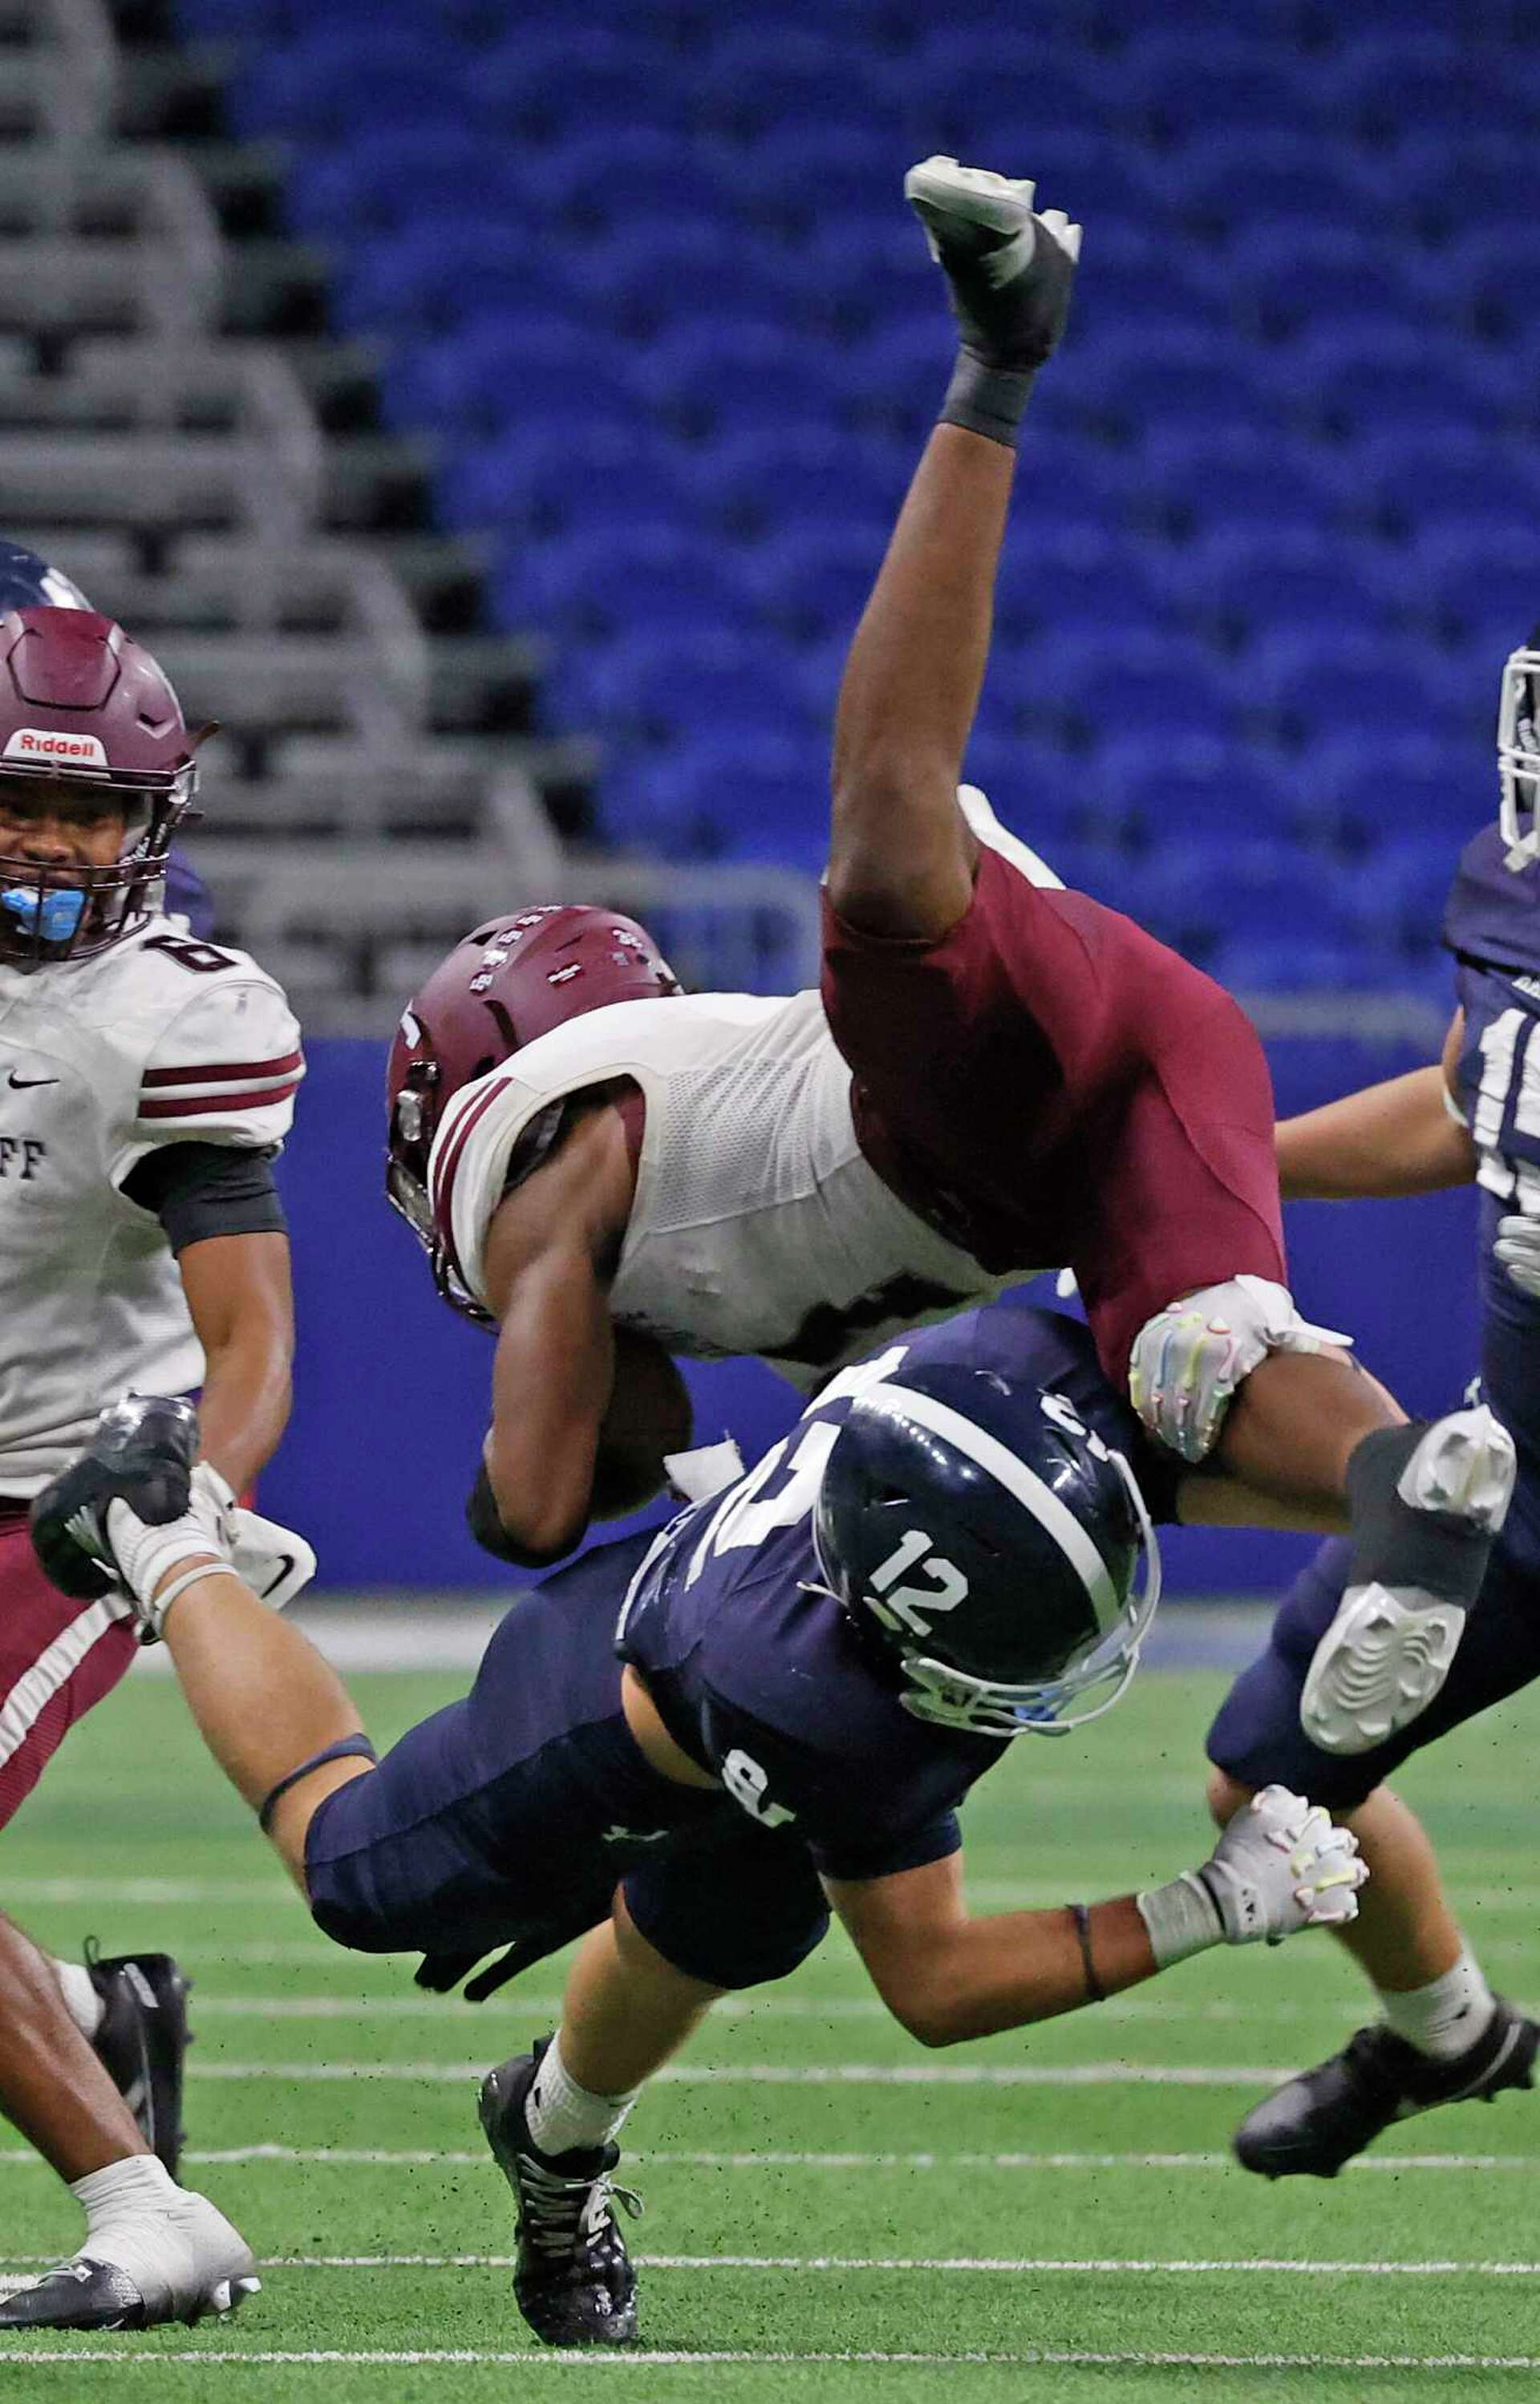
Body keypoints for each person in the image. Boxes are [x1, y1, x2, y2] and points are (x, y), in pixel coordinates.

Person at [386, 159, 1512, 1760]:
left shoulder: (551, 1161)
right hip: (1108, 1098)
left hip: (955, 1067)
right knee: (1170, 1389)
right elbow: (641, 1428)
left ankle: (995, 364)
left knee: (882, 859)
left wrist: (520, 1476)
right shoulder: (722, 1253)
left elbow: (544, 1496)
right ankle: (1420, 1499)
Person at [29, 1301, 1365, 2348]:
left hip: (762, 1649)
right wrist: (1210, 1902)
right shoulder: (825, 1718)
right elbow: (937, 1981)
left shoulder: (1021, 1360)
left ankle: (551, 2142)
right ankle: (157, 1532)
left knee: (736, 1922)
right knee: (354, 1872)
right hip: (617, 1707)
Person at [0, 600, 309, 2332]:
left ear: (150, 827)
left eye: (92, 812)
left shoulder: (165, 1015)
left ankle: (150, 2210)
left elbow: (251, 1334)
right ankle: (86, 2010)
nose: (52, 842)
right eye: (19, 803)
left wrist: (186, 1507)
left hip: (53, 1499)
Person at [1204, 640, 1540, 2175]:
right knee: (1268, 1767)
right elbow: (1471, 1097)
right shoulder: (1509, 892)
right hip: (1515, 1478)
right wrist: (1232, 1165)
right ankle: (1446, 2033)